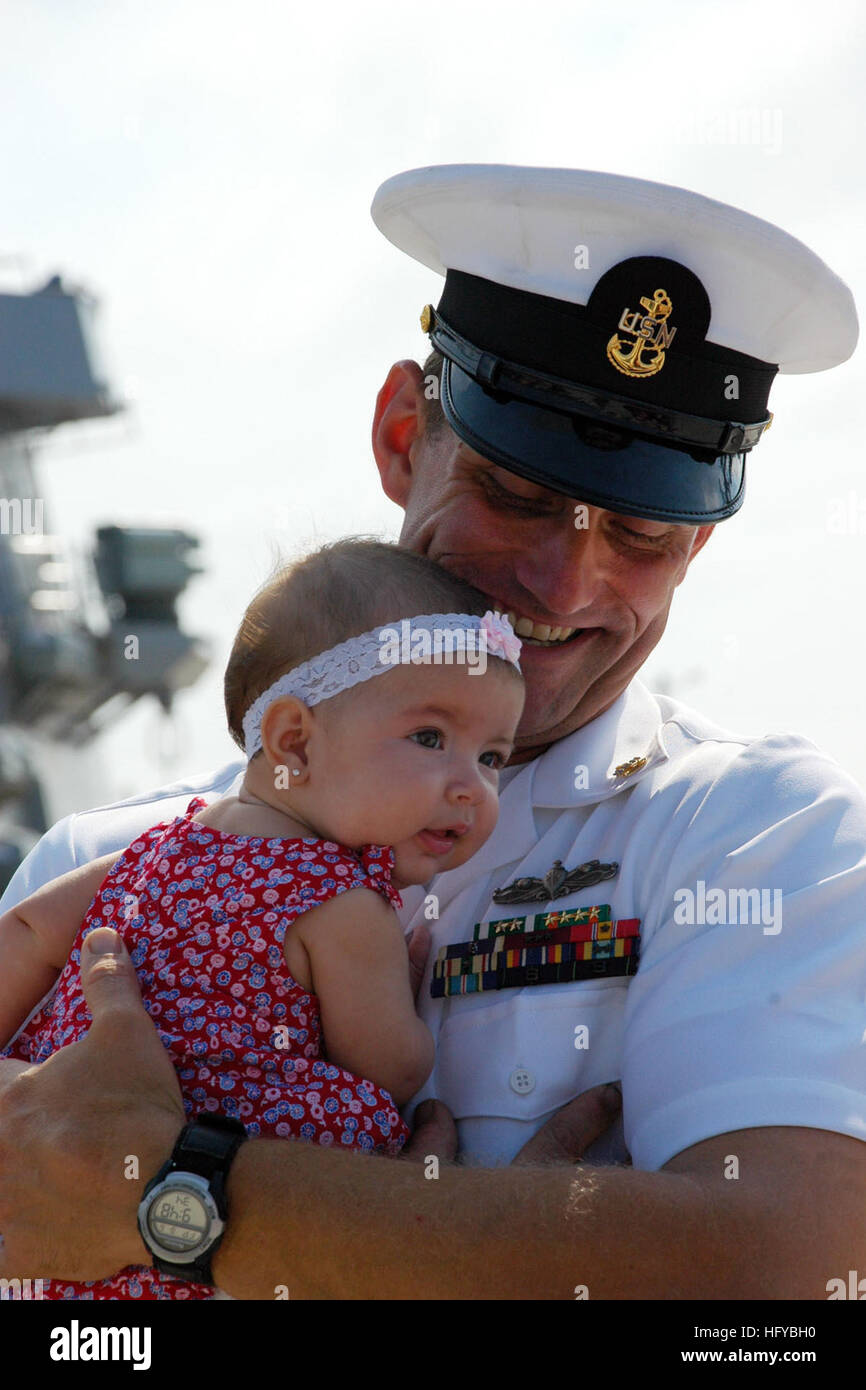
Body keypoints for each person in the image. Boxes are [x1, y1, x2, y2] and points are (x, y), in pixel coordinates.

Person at [1, 165, 865, 1301]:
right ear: (404, 438)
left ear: (695, 548)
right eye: (512, 495)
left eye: (642, 534)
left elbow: (789, 1283)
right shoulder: (95, 860)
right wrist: (526, 1250)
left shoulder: (760, 839)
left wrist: (168, 1200)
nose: (565, 579)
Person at [0, 539, 525, 1298]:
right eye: (431, 738)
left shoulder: (153, 847)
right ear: (292, 742)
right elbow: (391, 1066)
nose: (470, 786)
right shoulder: (342, 902)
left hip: (72, 1229)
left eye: (493, 758)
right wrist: (408, 975)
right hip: (232, 1234)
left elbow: (25, 932)